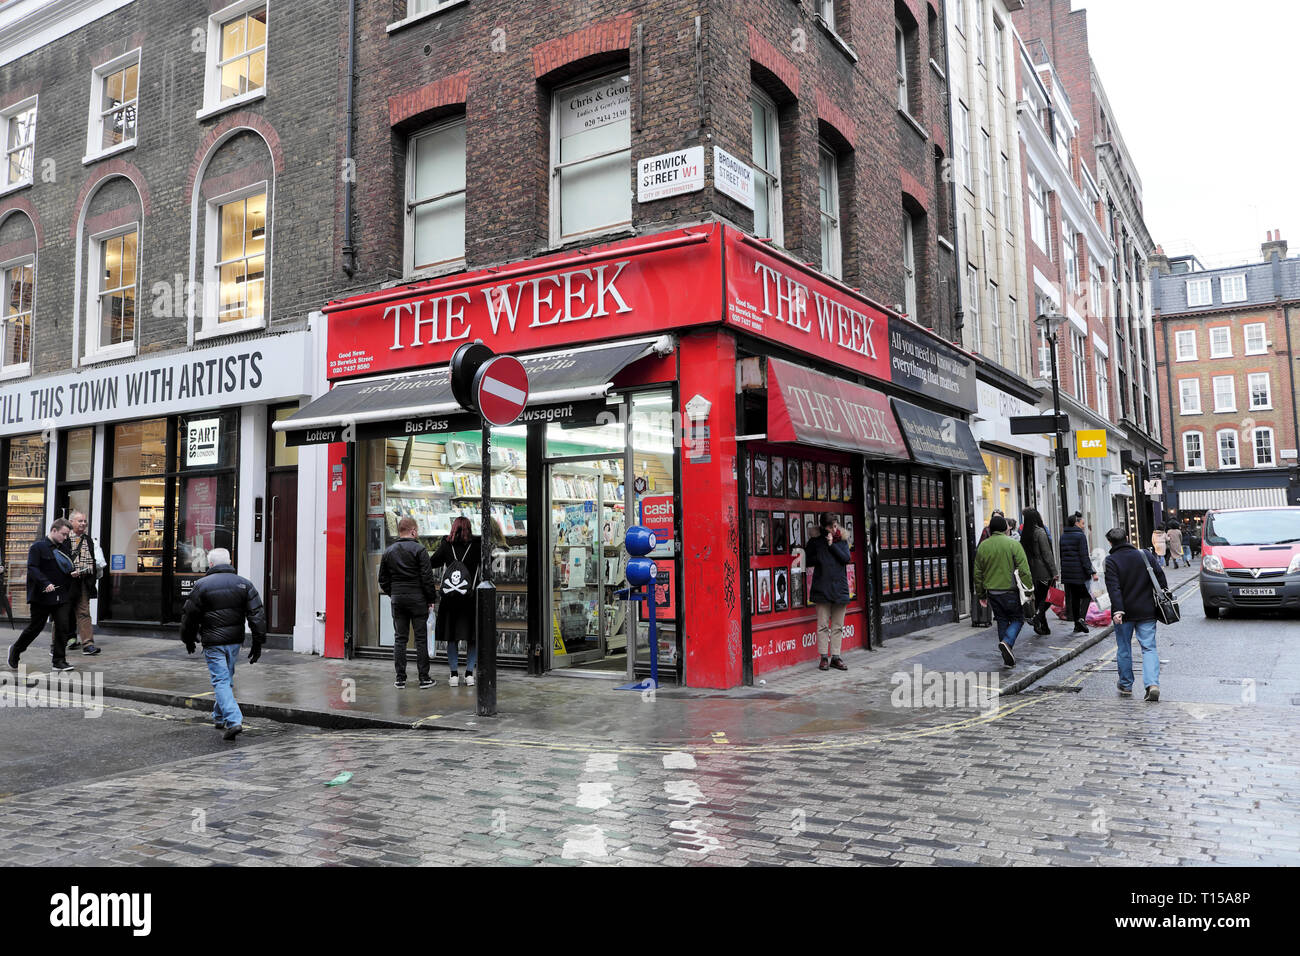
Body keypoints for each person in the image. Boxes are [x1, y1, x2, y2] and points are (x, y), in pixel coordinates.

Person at [179, 547, 268, 740]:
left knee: (220, 681)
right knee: (225, 679)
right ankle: (218, 717)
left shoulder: (201, 585)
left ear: (210, 564)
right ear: (229, 561)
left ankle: (234, 720)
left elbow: (189, 616)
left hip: (213, 642)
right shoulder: (244, 584)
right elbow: (257, 615)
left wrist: (188, 639)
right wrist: (258, 642)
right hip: (235, 641)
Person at [1103, 527, 1167, 702]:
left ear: (1110, 542)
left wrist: (1117, 610)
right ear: (1127, 538)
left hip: (1124, 613)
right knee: (1149, 648)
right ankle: (1152, 684)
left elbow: (1113, 588)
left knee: (1124, 648)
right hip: (1147, 610)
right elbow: (1160, 578)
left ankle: (1125, 685)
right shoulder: (1144, 555)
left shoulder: (1111, 561)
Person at [7, 518, 76, 673]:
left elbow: (65, 568)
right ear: (54, 530)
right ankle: (16, 649)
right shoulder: (38, 547)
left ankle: (59, 661)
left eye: (67, 535)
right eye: (63, 534)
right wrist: (45, 583)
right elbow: (32, 568)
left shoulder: (64, 546)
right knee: (35, 627)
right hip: (42, 595)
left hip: (62, 594)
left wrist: (73, 573)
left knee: (63, 626)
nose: (65, 538)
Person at [379, 515, 438, 689]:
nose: (417, 533)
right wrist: (430, 599)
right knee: (421, 639)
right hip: (418, 599)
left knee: (400, 639)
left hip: (398, 600)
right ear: (413, 531)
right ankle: (424, 678)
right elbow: (427, 578)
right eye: (417, 530)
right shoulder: (419, 550)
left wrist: (393, 593)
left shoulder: (389, 551)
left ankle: (400, 678)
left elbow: (382, 579)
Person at [974, 514, 1033, 667]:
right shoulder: (1013, 544)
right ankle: (1007, 642)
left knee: (1001, 620)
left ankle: (1006, 651)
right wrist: (1028, 590)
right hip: (1011, 590)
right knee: (1017, 619)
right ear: (1004, 528)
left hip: (992, 592)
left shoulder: (983, 546)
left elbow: (978, 573)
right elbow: (1024, 570)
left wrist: (981, 594)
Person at [430, 516, 483, 687]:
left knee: (451, 636)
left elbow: (433, 562)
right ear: (469, 528)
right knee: (471, 637)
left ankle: (453, 674)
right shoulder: (477, 544)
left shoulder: (446, 545)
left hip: (450, 599)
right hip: (470, 597)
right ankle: (469, 673)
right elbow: (488, 563)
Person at [805, 512, 851, 672]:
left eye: (836, 525)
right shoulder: (816, 542)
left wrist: (832, 546)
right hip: (822, 587)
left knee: (838, 626)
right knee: (823, 625)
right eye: (831, 526)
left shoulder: (841, 539)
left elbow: (846, 558)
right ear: (824, 527)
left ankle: (836, 657)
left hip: (840, 588)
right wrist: (820, 557)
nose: (834, 528)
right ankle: (824, 657)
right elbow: (807, 558)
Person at [64, 511, 104, 656]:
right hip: (67, 582)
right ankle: (56, 644)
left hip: (83, 582)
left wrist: (91, 579)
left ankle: (88, 644)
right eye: (80, 521)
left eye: (85, 521)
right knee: (61, 613)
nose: (83, 524)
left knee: (84, 612)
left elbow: (94, 561)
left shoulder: (89, 540)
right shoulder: (64, 539)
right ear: (71, 522)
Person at [1059, 513, 1099, 634]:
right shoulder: (1080, 536)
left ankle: (1077, 625)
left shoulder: (1063, 536)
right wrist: (1092, 572)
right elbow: (1084, 556)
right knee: (1086, 596)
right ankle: (1081, 619)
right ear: (1076, 523)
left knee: (1075, 599)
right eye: (1082, 524)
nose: (1083, 526)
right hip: (1078, 573)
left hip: (1067, 573)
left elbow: (1062, 556)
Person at [1020, 508, 1057, 635]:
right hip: (1043, 571)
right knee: (1048, 598)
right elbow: (1047, 554)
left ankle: (1043, 627)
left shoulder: (1024, 534)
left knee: (1040, 598)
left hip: (1031, 570)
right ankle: (1037, 617)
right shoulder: (1040, 532)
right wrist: (1054, 572)